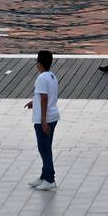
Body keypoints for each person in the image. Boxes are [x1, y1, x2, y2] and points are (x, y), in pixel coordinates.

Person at [25, 50, 60, 190]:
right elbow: (44, 96)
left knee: (44, 149)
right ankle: (44, 176)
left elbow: (45, 99)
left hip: (44, 119)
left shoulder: (41, 78)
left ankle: (50, 179)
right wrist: (33, 102)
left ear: (39, 63)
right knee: (45, 147)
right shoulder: (51, 76)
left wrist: (43, 121)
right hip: (53, 115)